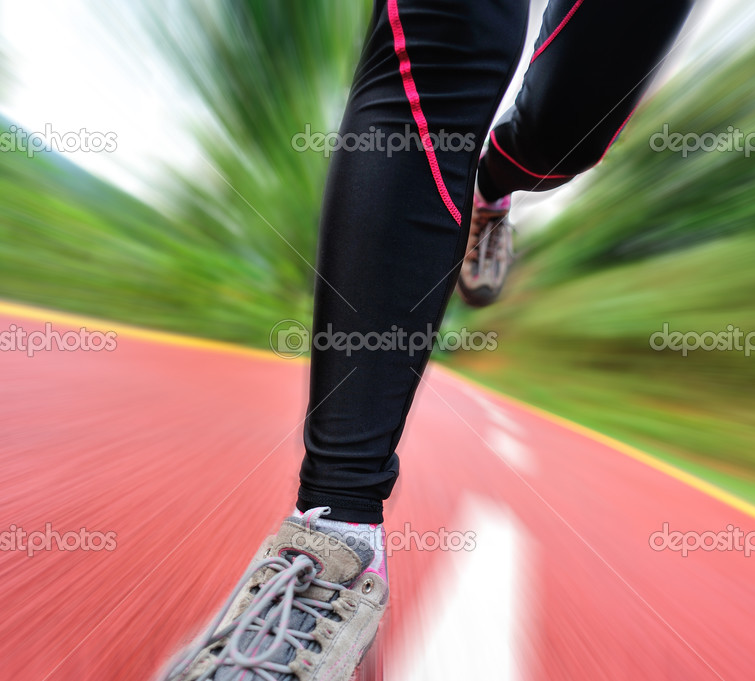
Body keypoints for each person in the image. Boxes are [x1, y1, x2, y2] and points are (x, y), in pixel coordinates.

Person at [165, 0, 694, 678]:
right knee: (440, 43)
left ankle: (495, 184)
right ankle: (337, 531)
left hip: (538, 140)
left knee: (565, 130)